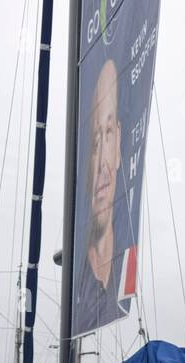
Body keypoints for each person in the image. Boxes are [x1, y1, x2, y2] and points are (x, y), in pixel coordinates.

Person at [75, 57, 124, 331]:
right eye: (95, 142)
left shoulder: (121, 277)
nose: (103, 163)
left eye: (107, 134)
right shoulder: (81, 281)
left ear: (118, 142)